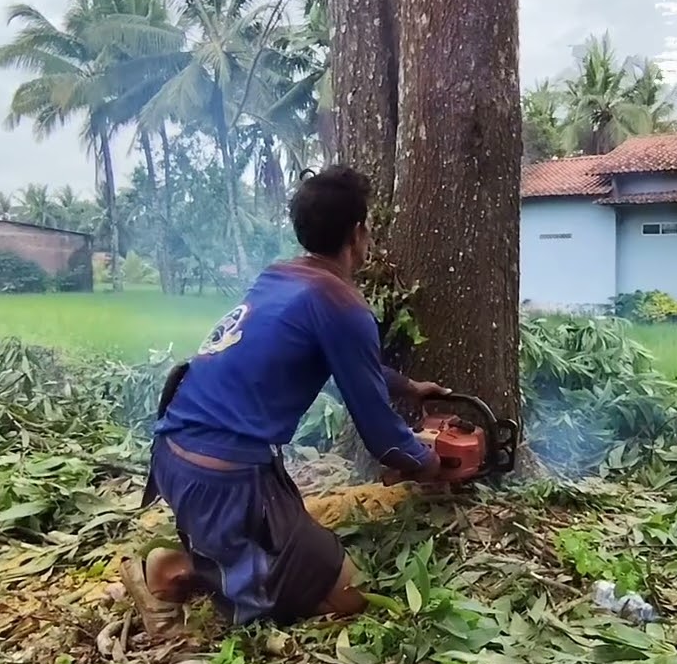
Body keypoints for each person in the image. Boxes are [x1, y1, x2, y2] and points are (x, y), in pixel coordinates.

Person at [120, 165, 449, 637]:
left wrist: (408, 388)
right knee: (348, 594)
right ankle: (171, 573)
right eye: (369, 227)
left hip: (174, 453)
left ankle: (199, 556)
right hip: (226, 478)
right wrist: (431, 462)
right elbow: (384, 440)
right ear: (358, 233)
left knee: (259, 542)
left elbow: (340, 369)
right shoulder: (342, 305)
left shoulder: (279, 278)